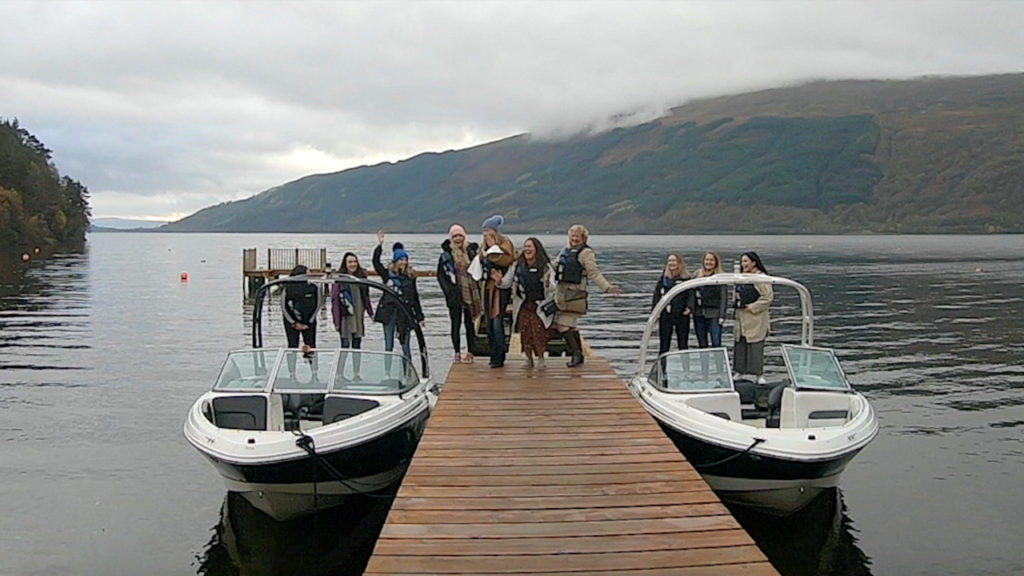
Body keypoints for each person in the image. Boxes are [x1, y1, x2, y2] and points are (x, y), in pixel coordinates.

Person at [553, 224, 622, 367]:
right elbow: (554, 265)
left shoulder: (586, 253)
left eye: (577, 236)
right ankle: (578, 356)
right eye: (572, 236)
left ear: (583, 238)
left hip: (575, 295)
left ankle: (576, 354)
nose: (574, 239)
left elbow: (594, 273)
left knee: (562, 325)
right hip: (561, 294)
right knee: (570, 326)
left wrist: (607, 287)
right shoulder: (565, 251)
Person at [499, 237, 556, 369]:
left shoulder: (545, 266)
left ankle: (541, 358)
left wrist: (547, 283)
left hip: (539, 305)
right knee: (525, 333)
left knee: (539, 332)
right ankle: (528, 358)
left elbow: (553, 288)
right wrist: (498, 281)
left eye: (530, 246)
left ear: (536, 249)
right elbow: (506, 283)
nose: (527, 249)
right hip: (523, 303)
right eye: (525, 246)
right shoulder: (517, 265)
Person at [372, 231, 424, 368]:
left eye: (405, 260)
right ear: (395, 261)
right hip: (389, 314)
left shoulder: (410, 278)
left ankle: (407, 371)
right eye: (401, 260)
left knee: (405, 345)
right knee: (388, 345)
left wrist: (420, 316)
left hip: (404, 314)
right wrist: (380, 245)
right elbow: (376, 263)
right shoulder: (387, 275)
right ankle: (387, 372)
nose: (404, 262)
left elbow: (415, 298)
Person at [438, 224, 481, 364]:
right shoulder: (446, 255)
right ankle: (457, 352)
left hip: (470, 292)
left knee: (470, 324)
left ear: (464, 236)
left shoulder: (472, 252)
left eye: (460, 235)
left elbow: (479, 269)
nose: (458, 238)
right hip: (455, 295)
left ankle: (471, 351)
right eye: (455, 236)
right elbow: (441, 276)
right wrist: (449, 292)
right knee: (455, 324)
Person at [480, 214, 516, 368]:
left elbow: (508, 259)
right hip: (488, 288)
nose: (486, 234)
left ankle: (499, 356)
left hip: (500, 289)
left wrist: (491, 253)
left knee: (497, 322)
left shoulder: (505, 243)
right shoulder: (484, 247)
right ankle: (493, 354)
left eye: (488, 231)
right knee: (489, 323)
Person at [331, 251, 373, 379]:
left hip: (358, 318)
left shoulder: (361, 279)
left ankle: (356, 374)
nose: (353, 264)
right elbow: (335, 302)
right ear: (345, 263)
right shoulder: (339, 280)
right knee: (344, 346)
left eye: (355, 261)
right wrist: (336, 322)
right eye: (350, 262)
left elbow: (366, 298)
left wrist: (371, 313)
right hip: (345, 318)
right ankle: (339, 374)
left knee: (357, 347)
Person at [733, 251, 773, 384]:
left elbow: (768, 298)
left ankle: (758, 374)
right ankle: (739, 371)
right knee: (740, 344)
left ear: (754, 262)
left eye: (746, 261)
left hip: (755, 318)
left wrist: (753, 307)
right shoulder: (740, 277)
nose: (743, 264)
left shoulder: (761, 278)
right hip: (741, 316)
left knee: (756, 346)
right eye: (742, 261)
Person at [281, 264, 323, 377]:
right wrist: (293, 323)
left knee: (311, 346)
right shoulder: (287, 288)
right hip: (291, 323)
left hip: (309, 321)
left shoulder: (315, 287)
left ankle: (314, 374)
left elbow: (318, 305)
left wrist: (309, 322)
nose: (309, 274)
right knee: (292, 345)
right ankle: (292, 374)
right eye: (307, 272)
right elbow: (284, 307)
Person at [651, 253, 693, 360]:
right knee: (664, 346)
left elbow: (691, 294)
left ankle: (686, 370)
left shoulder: (686, 278)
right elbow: (656, 294)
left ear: (679, 263)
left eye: (674, 261)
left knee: (683, 345)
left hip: (682, 315)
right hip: (666, 315)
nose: (671, 263)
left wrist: (689, 307)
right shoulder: (664, 277)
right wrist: (654, 313)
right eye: (669, 261)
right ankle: (663, 371)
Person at [692, 251, 728, 348]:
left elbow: (724, 297)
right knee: (702, 344)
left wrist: (722, 315)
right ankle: (704, 363)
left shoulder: (720, 277)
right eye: (707, 260)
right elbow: (691, 293)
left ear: (716, 262)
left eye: (711, 260)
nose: (709, 262)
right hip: (699, 314)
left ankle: (719, 363)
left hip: (714, 314)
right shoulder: (697, 274)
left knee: (716, 342)